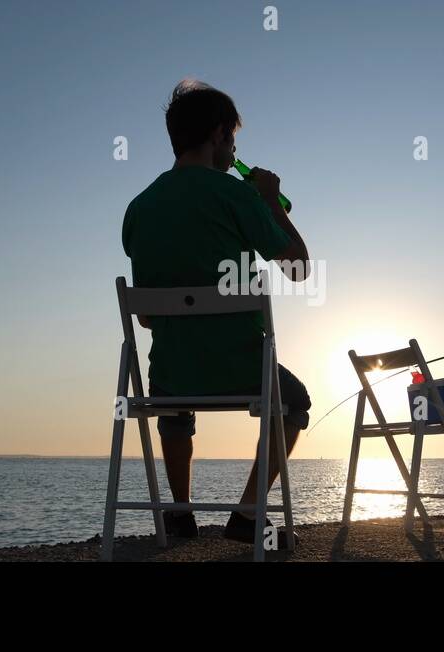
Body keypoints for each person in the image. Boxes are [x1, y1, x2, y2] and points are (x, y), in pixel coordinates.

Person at [121, 79, 311, 546]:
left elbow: (145, 319)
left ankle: (181, 514)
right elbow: (300, 268)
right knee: (295, 402)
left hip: (170, 376)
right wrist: (269, 200)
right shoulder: (238, 195)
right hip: (243, 369)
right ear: (220, 134)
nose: (234, 148)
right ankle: (247, 516)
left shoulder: (139, 209)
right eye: (233, 138)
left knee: (173, 401)